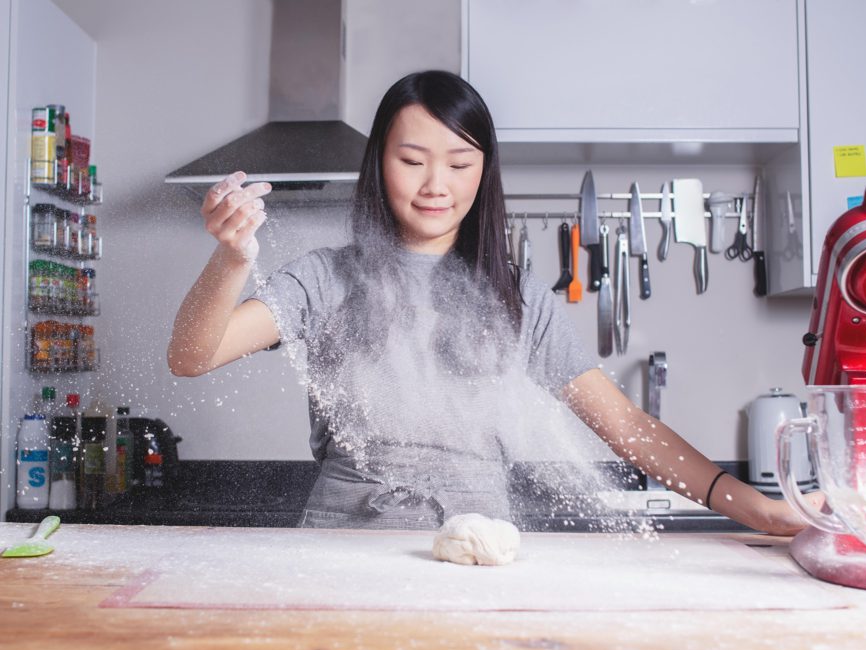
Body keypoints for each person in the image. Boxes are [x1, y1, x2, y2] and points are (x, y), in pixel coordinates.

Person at [168, 70, 817, 535]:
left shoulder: (517, 297)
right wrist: (231, 259)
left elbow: (628, 429)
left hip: (478, 555)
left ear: (484, 172)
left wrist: (752, 505)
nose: (435, 185)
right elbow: (192, 355)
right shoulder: (328, 278)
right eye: (412, 159)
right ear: (379, 164)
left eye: (459, 162)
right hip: (343, 546)